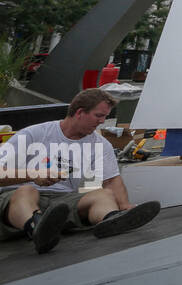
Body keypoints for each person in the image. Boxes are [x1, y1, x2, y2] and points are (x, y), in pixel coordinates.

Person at [0, 88, 161, 254]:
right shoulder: (33, 134)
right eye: (99, 116)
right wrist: (33, 175)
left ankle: (111, 219)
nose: (102, 121)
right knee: (27, 190)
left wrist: (125, 206)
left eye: (105, 117)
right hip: (19, 200)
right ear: (79, 112)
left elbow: (111, 180)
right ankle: (36, 228)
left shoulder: (100, 144)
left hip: (61, 203)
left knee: (103, 194)